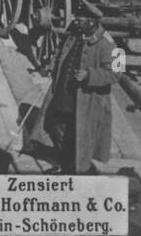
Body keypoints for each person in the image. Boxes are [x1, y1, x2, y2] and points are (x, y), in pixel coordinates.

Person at [35, 14, 117, 174]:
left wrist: (89, 75)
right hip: (62, 92)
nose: (75, 21)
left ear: (92, 21)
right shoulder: (75, 31)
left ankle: (75, 170)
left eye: (80, 19)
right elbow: (61, 49)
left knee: (78, 136)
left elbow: (117, 73)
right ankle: (65, 165)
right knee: (56, 127)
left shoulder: (110, 43)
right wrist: (51, 65)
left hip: (85, 101)